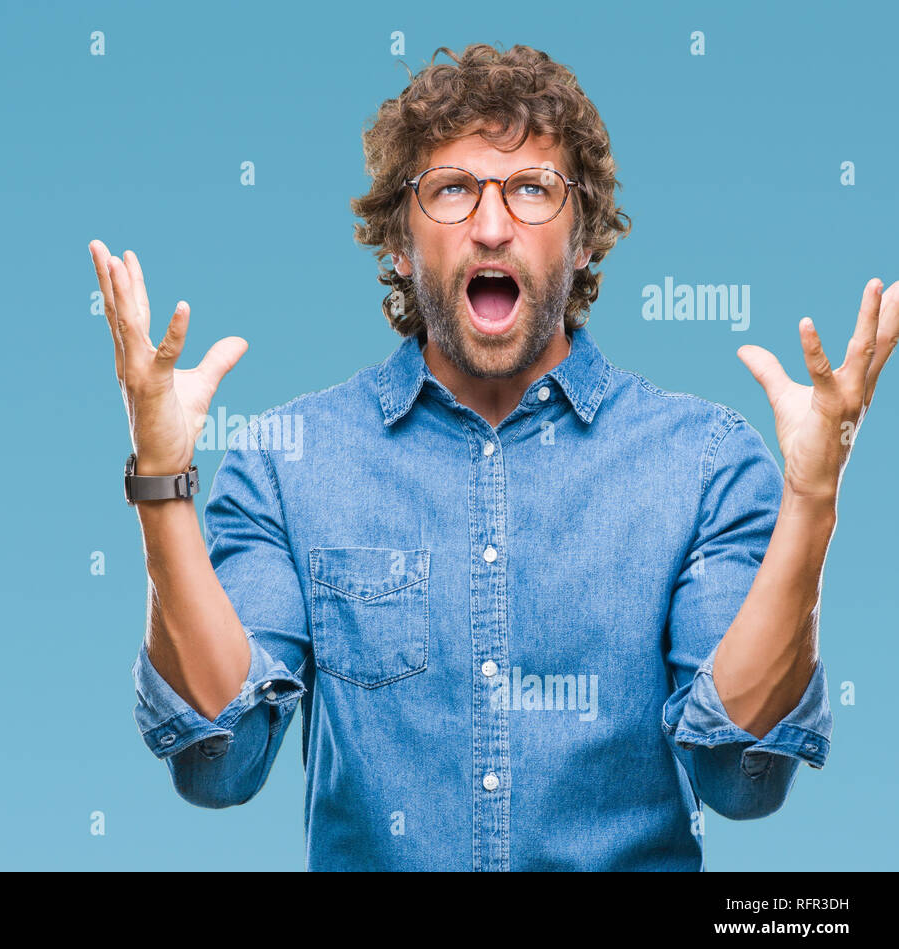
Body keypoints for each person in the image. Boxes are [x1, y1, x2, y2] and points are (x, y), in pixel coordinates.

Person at [88, 43, 897, 870]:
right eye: (451, 191)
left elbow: (743, 779)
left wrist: (812, 497)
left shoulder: (705, 464)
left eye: (532, 190)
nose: (492, 224)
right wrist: (162, 482)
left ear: (582, 239)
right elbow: (219, 762)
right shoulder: (285, 465)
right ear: (399, 244)